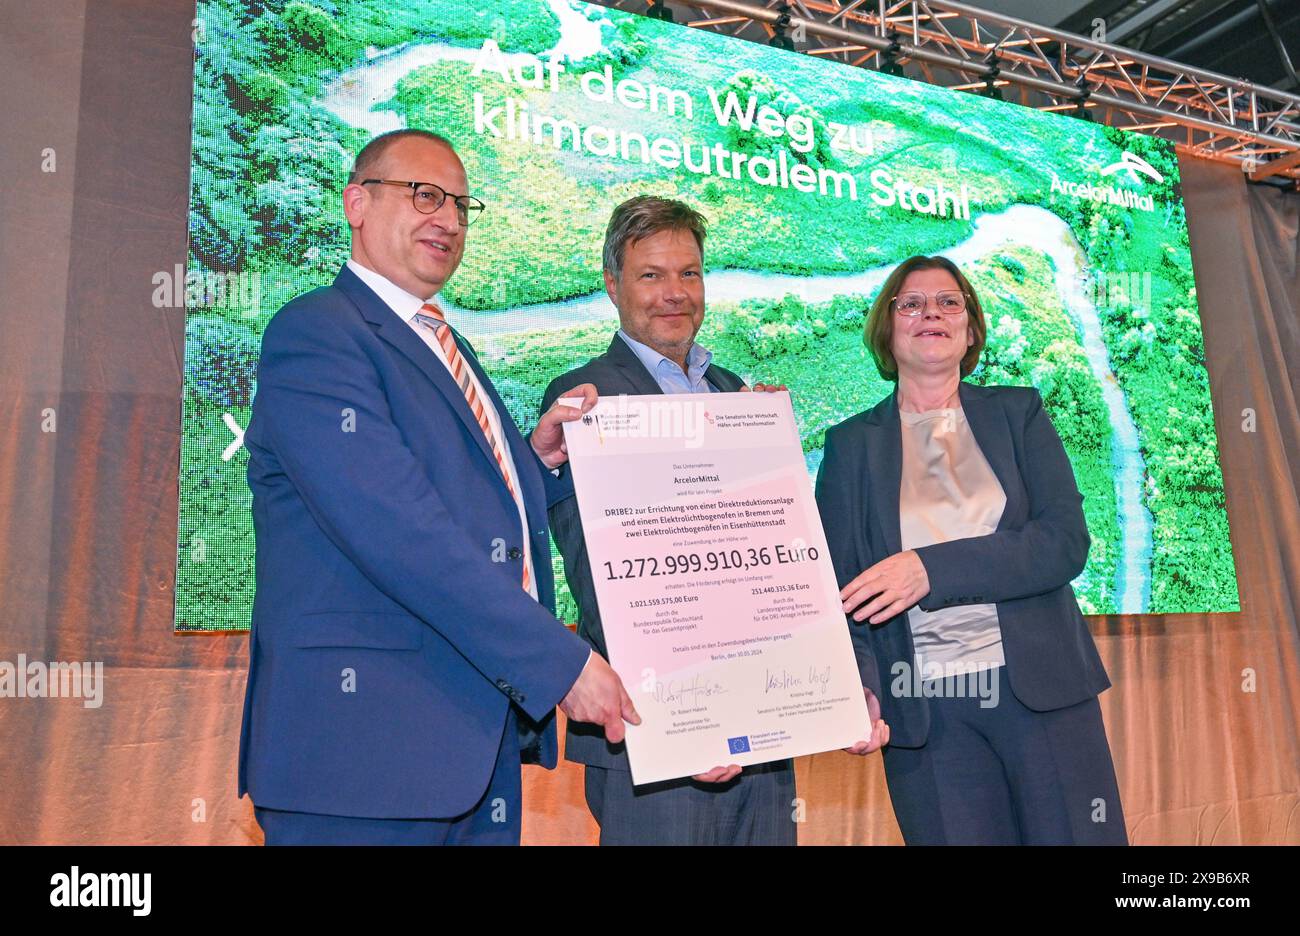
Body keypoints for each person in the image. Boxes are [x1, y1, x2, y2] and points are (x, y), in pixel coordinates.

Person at [237, 128, 638, 845]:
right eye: (424, 195)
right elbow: (398, 530)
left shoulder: (447, 344)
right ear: (356, 203)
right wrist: (559, 661)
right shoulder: (318, 333)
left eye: (460, 204)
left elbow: (463, 508)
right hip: (363, 761)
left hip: (470, 749)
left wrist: (536, 464)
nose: (447, 219)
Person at [542, 195, 884, 845]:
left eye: (689, 273)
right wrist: (689, 720)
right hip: (650, 738)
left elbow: (779, 559)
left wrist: (768, 456)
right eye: (651, 275)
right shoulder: (582, 398)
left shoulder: (736, 394)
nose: (674, 293)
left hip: (761, 735)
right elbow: (597, 572)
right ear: (613, 284)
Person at [816, 255, 1127, 845]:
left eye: (948, 301)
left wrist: (929, 569)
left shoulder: (1020, 412)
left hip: (1043, 694)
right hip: (923, 712)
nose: (930, 312)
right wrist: (856, 687)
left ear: (971, 327)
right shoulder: (850, 445)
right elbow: (842, 589)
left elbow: (1063, 543)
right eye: (910, 303)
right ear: (887, 327)